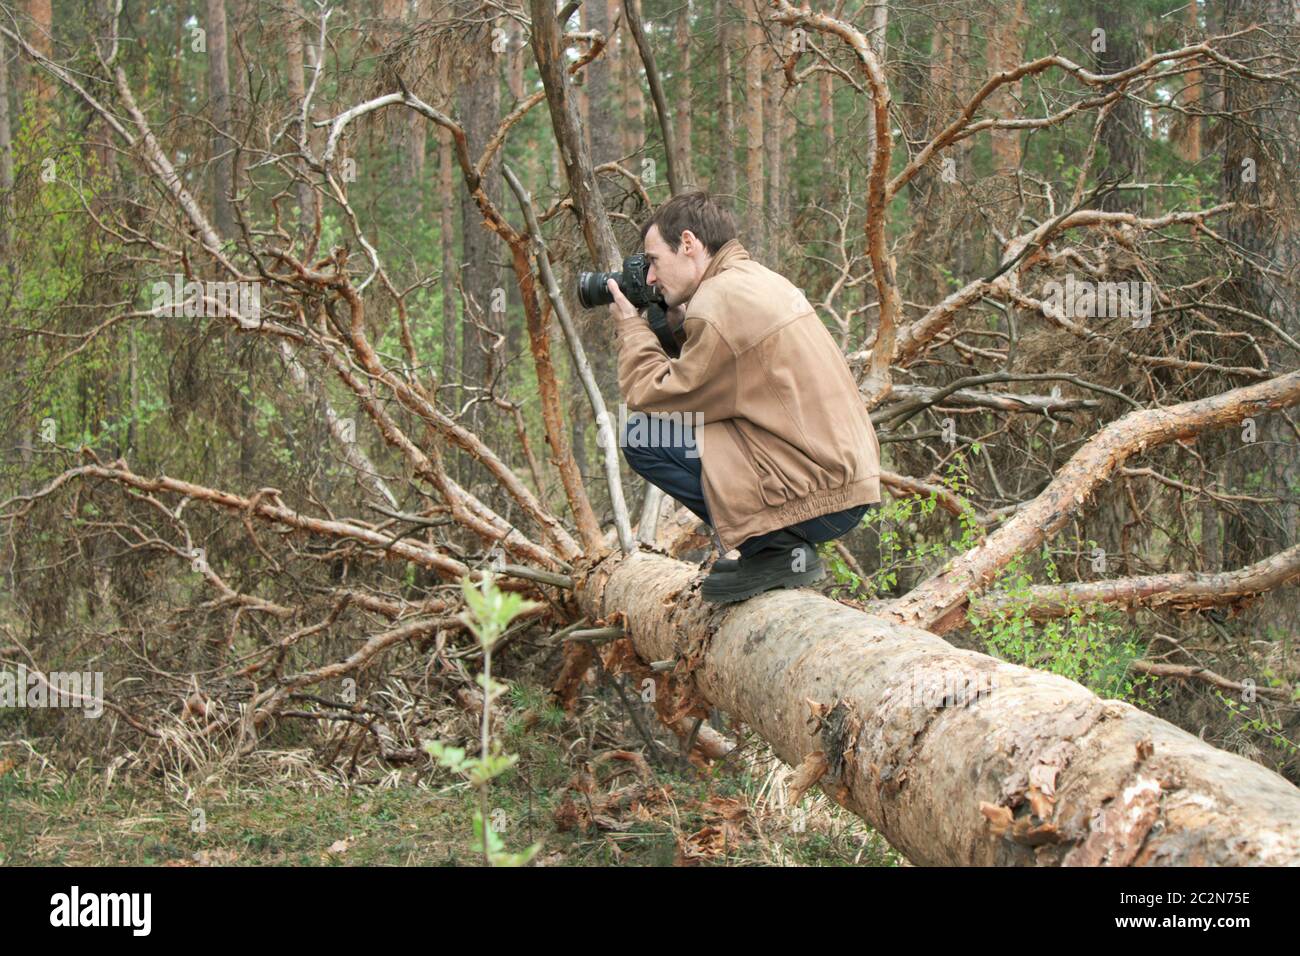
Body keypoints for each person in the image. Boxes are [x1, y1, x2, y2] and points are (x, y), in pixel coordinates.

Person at [608, 190, 882, 603]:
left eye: (653, 262)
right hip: (845, 482)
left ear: (688, 244)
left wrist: (632, 328)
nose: (648, 279)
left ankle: (771, 548)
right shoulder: (755, 280)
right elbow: (729, 375)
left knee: (642, 437)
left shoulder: (717, 301)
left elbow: (654, 396)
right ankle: (776, 545)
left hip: (820, 496)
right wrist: (675, 326)